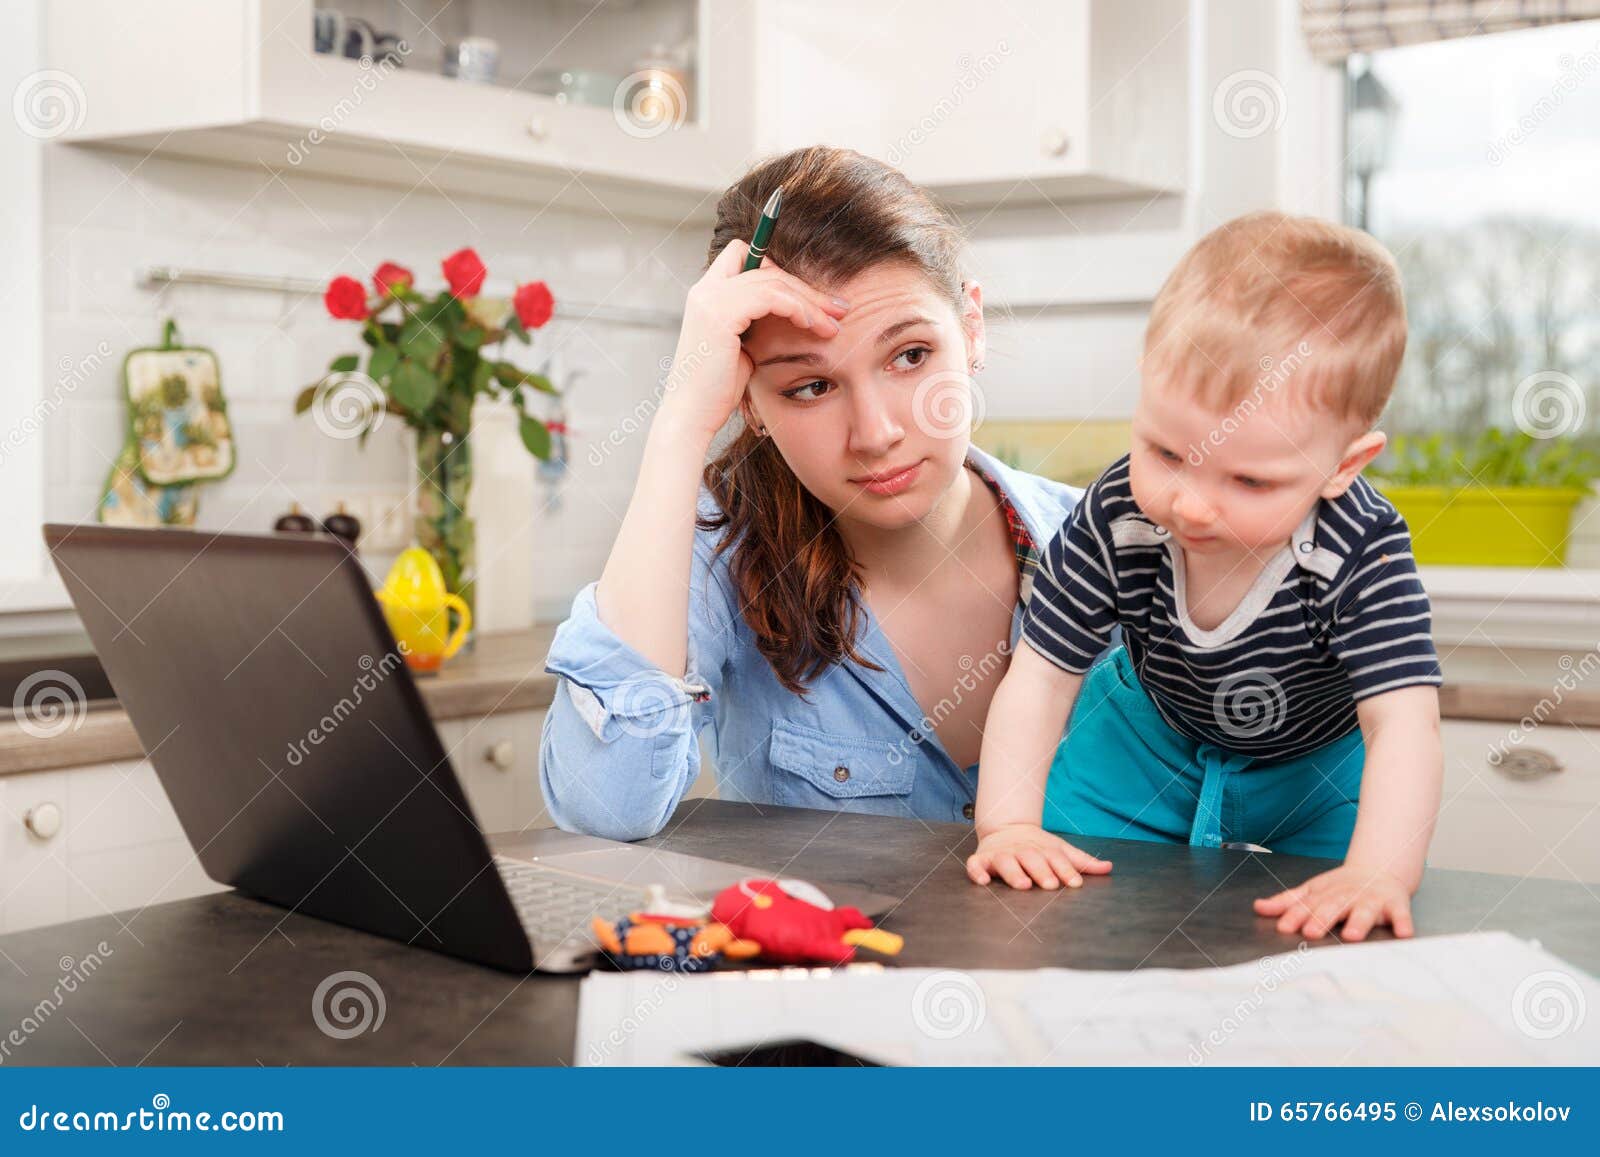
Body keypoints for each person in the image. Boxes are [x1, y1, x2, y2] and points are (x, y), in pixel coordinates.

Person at [539, 146, 1098, 844]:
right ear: (748, 400)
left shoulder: (1107, 543)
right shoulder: (723, 564)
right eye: (810, 386)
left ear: (972, 327)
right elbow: (605, 806)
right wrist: (679, 421)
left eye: (910, 356)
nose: (876, 432)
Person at [967, 211, 1443, 944]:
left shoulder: (1361, 550)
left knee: (1317, 939)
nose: (1189, 504)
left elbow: (1402, 721)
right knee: (1062, 917)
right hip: (1138, 737)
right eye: (1165, 452)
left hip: (1316, 770)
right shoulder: (1117, 509)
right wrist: (1005, 824)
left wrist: (1381, 871)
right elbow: (1040, 674)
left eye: (1249, 479)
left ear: (1345, 464)